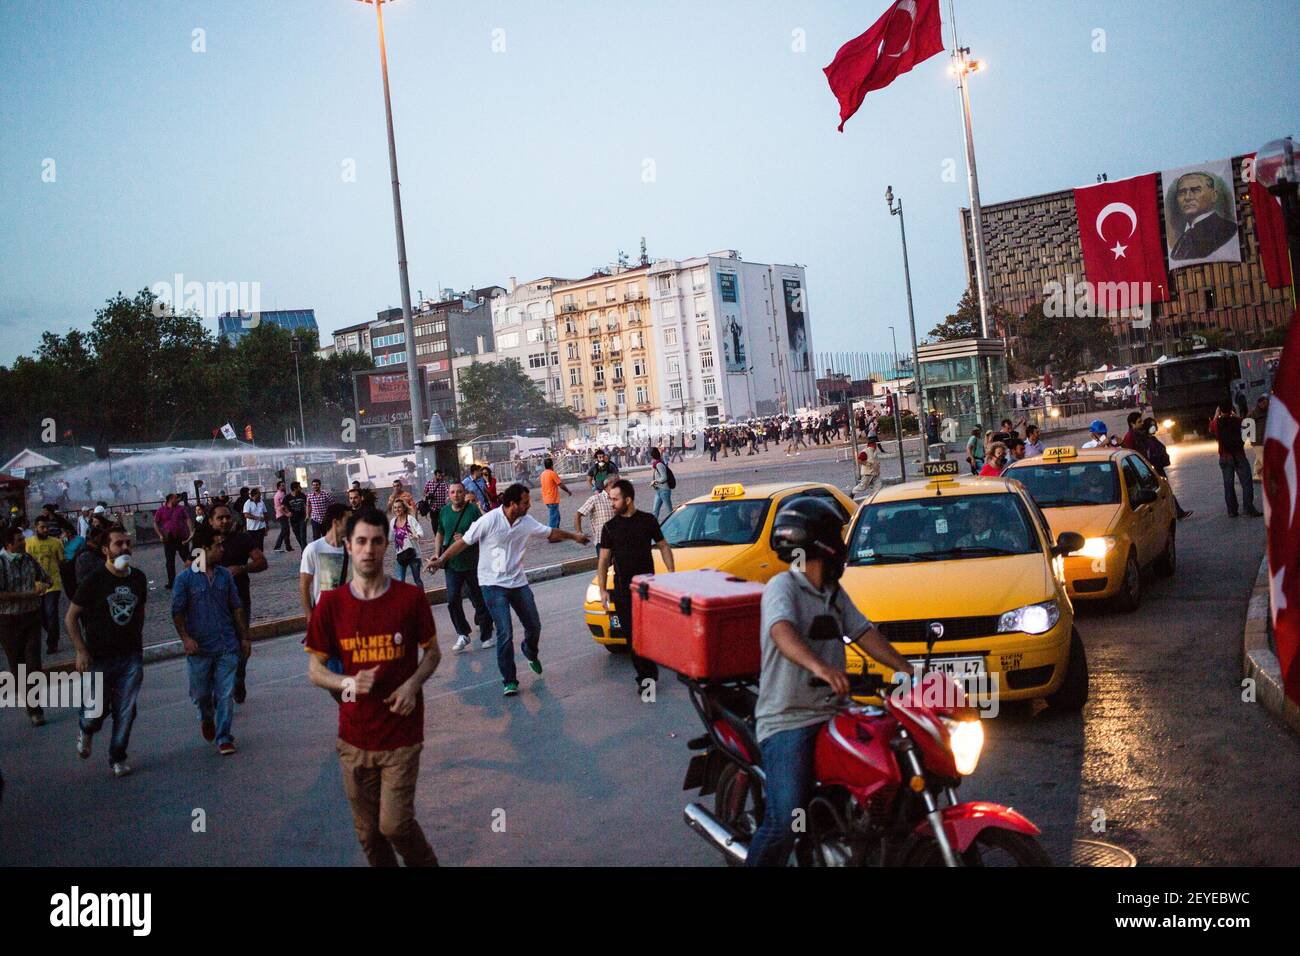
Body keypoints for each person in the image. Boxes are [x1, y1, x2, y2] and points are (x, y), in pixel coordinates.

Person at [747, 498, 911, 867]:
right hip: (788, 720)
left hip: (835, 714)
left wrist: (908, 670)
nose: (842, 543)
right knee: (787, 820)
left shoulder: (834, 594)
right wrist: (821, 667)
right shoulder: (782, 587)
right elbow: (781, 631)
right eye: (836, 535)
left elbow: (865, 633)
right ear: (819, 543)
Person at [305, 507, 442, 867]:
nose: (369, 549)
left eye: (377, 541)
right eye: (361, 541)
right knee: (369, 836)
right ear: (348, 546)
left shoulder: (409, 599)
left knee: (395, 825)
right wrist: (346, 681)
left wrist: (412, 685)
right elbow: (315, 670)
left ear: (387, 546)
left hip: (401, 736)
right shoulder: (331, 605)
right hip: (354, 738)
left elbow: (432, 654)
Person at [428, 483, 589, 696]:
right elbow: (464, 543)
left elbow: (550, 533)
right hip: (492, 585)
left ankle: (529, 650)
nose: (529, 505)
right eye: (525, 502)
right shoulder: (489, 520)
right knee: (505, 632)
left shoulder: (526, 521)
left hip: (518, 583)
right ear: (512, 504)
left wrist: (574, 536)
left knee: (534, 626)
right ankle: (509, 680)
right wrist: (441, 560)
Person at [66, 524, 147, 777]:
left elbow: (140, 611)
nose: (125, 547)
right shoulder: (94, 580)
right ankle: (86, 729)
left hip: (130, 656)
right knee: (95, 713)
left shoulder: (139, 578)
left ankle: (117, 756)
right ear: (105, 550)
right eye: (118, 544)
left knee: (126, 710)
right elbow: (70, 617)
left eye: (127, 543)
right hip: (99, 657)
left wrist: (136, 641)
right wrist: (81, 650)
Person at [171, 523, 250, 756]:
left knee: (225, 694)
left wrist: (244, 637)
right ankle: (206, 718)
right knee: (201, 695)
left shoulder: (225, 576)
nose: (222, 550)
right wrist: (185, 638)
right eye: (217, 546)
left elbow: (237, 607)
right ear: (203, 549)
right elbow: (177, 611)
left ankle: (224, 737)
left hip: (226, 644)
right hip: (199, 648)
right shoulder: (185, 579)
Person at [597, 480, 674, 693]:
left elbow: (664, 547)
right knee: (634, 637)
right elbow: (603, 561)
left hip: (647, 589)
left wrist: (671, 574)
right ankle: (646, 678)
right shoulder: (609, 528)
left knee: (647, 634)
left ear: (628, 500)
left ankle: (649, 671)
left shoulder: (648, 521)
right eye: (610, 499)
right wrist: (603, 590)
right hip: (622, 592)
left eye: (615, 499)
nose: (611, 503)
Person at [208, 503, 267, 705]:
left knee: (242, 645)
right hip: (213, 605)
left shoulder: (243, 539)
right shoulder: (205, 543)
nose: (225, 521)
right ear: (211, 521)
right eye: (220, 518)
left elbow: (262, 562)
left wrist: (242, 568)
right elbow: (192, 569)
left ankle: (238, 678)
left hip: (240, 602)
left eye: (227, 517)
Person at [432, 483, 494, 654]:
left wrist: (468, 538)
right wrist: (437, 554)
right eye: (453, 492)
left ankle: (486, 634)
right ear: (449, 495)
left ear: (464, 493)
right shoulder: (444, 511)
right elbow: (440, 533)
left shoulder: (472, 510)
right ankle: (462, 633)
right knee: (452, 600)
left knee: (478, 598)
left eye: (459, 492)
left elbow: (484, 532)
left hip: (472, 563)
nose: (456, 495)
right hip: (452, 564)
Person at [0, 527, 51, 726]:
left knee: (34, 663)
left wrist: (44, 585)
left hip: (31, 617)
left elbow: (46, 578)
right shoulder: (2, 563)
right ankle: (28, 703)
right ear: (8, 544)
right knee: (18, 665)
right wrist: (25, 594)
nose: (24, 541)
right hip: (8, 620)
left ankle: (35, 709)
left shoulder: (29, 560)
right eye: (20, 539)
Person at [300, 503, 353, 621]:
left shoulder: (352, 550)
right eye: (348, 520)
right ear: (336, 522)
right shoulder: (313, 549)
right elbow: (304, 585)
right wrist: (310, 618)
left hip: (348, 615)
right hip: (323, 616)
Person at [1209, 401, 1261, 517]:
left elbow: (1211, 428)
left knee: (1228, 484)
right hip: (1239, 456)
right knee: (1246, 483)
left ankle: (1232, 510)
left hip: (1225, 457)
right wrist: (1235, 414)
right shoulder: (1237, 421)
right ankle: (1248, 508)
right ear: (1231, 410)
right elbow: (1249, 423)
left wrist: (1216, 414)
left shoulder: (1217, 423)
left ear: (1220, 410)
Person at [26, 516, 66, 654]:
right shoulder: (28, 543)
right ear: (36, 527)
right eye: (42, 527)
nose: (45, 530)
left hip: (53, 584)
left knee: (51, 612)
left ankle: (52, 643)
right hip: (36, 585)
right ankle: (51, 633)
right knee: (42, 615)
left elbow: (61, 561)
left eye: (47, 527)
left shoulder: (56, 543)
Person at [1141, 418, 1192, 520]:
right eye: (1151, 425)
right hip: (1155, 471)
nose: (1154, 427)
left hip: (1157, 469)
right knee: (1164, 492)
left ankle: (1177, 512)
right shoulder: (1147, 441)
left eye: (1154, 425)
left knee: (1166, 492)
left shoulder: (1151, 439)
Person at [576, 476, 616, 557]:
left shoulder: (618, 499)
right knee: (605, 567)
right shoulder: (595, 499)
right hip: (602, 541)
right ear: (608, 485)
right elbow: (578, 514)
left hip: (618, 540)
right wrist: (579, 532)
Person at [389, 498, 425, 589]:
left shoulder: (410, 519)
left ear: (404, 508)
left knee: (417, 580)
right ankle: (402, 601)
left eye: (399, 507)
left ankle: (422, 598)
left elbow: (420, 531)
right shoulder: (393, 521)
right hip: (400, 555)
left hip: (413, 554)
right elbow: (389, 537)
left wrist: (416, 536)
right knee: (400, 580)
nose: (397, 509)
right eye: (395, 508)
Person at [539, 457, 572, 529]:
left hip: (546, 499)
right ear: (552, 465)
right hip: (552, 498)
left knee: (556, 516)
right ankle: (553, 534)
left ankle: (557, 531)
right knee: (553, 517)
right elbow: (560, 484)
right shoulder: (552, 473)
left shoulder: (543, 474)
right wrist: (568, 491)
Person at [648, 446, 674, 522]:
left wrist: (655, 481)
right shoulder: (657, 464)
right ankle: (653, 528)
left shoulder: (659, 464)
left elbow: (664, 477)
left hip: (664, 491)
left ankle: (678, 528)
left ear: (652, 456)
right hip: (658, 491)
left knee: (670, 511)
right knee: (655, 511)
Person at [242, 487, 268, 552]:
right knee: (253, 545)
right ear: (255, 495)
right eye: (259, 493)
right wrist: (258, 518)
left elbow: (265, 513)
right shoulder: (247, 503)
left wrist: (266, 525)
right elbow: (246, 515)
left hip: (261, 527)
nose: (260, 495)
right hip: (251, 529)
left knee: (260, 545)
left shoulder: (261, 502)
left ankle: (261, 558)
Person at [272, 480, 294, 553]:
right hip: (281, 515)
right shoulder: (279, 495)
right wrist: (287, 513)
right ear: (278, 487)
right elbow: (281, 507)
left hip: (282, 515)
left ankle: (288, 547)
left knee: (286, 531)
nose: (283, 486)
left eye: (283, 485)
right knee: (284, 530)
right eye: (282, 485)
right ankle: (277, 546)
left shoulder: (282, 494)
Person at [286, 481, 309, 550]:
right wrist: (287, 513)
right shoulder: (287, 497)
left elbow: (308, 504)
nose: (301, 488)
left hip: (302, 518)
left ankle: (304, 552)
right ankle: (304, 548)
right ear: (295, 488)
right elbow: (282, 507)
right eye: (299, 487)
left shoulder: (302, 495)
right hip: (293, 520)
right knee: (298, 536)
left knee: (303, 535)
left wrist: (307, 514)